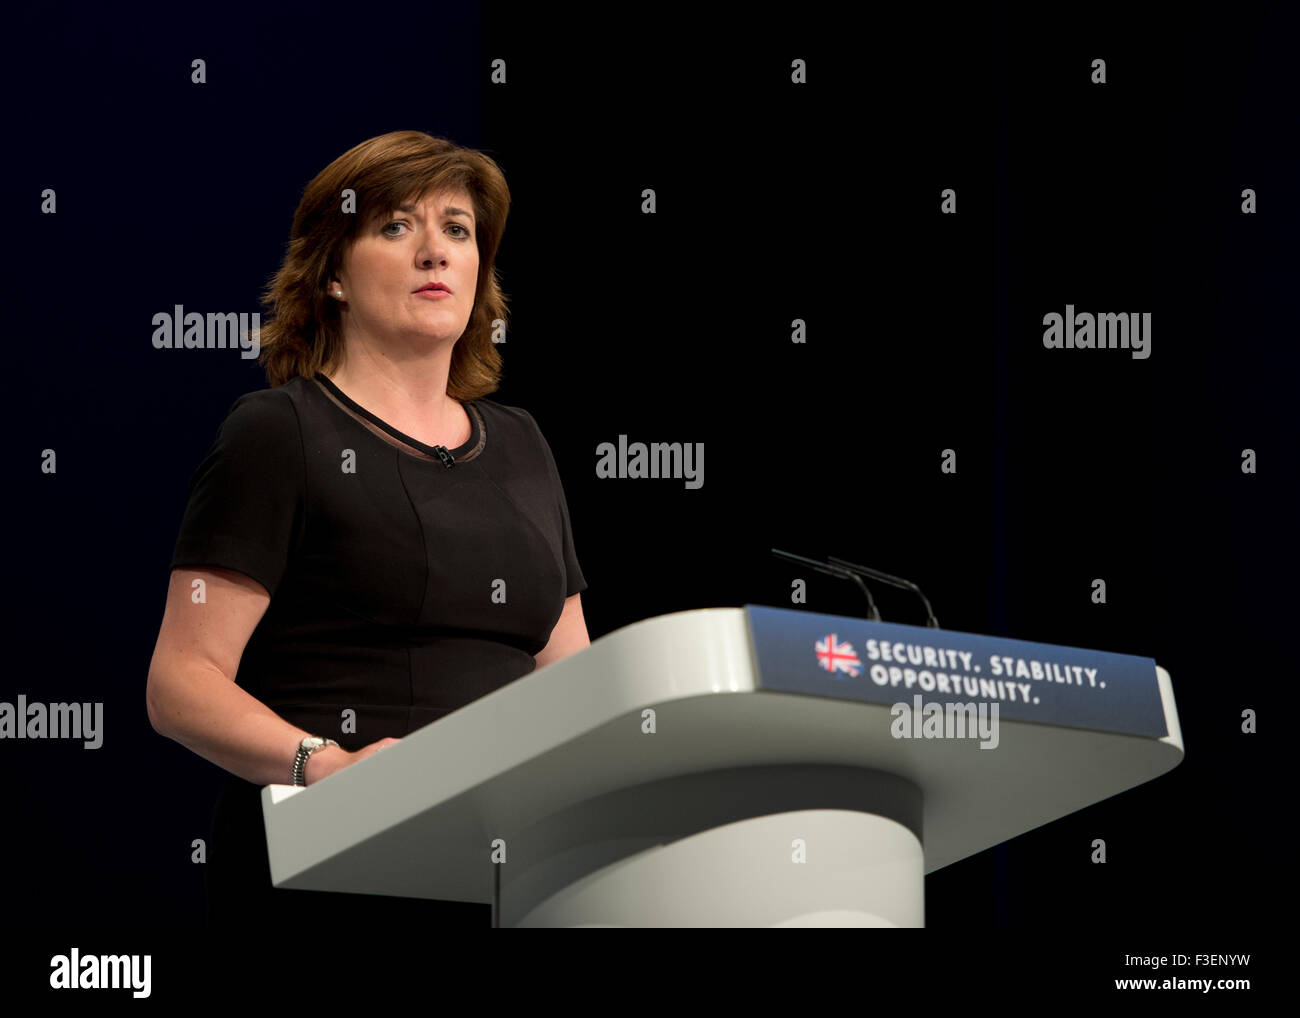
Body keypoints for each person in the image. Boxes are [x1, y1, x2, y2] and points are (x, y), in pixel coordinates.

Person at [146, 130, 590, 928]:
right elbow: (181, 682)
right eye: (395, 226)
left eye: (458, 230)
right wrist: (321, 763)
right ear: (334, 276)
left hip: (511, 867)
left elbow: (574, 681)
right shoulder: (279, 433)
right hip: (335, 865)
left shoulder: (522, 443)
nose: (436, 252)